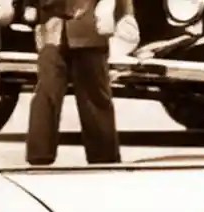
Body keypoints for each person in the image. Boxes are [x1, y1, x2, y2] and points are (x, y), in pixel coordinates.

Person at [26, 0, 135, 165]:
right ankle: (40, 154)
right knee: (49, 91)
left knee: (91, 94)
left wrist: (124, 14)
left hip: (88, 24)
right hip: (55, 25)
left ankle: (102, 155)